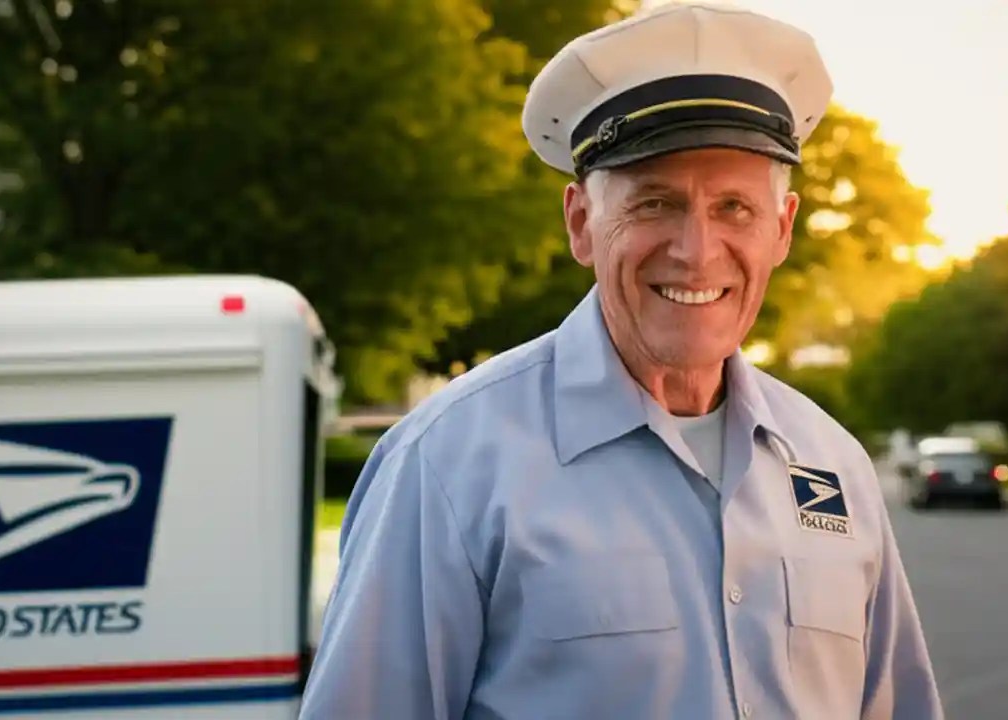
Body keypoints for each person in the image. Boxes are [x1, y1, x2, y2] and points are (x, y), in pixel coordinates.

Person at [299, 2, 943, 719]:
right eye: (655, 204)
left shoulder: (835, 464)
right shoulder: (446, 465)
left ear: (782, 230)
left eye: (734, 208)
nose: (696, 251)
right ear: (581, 223)